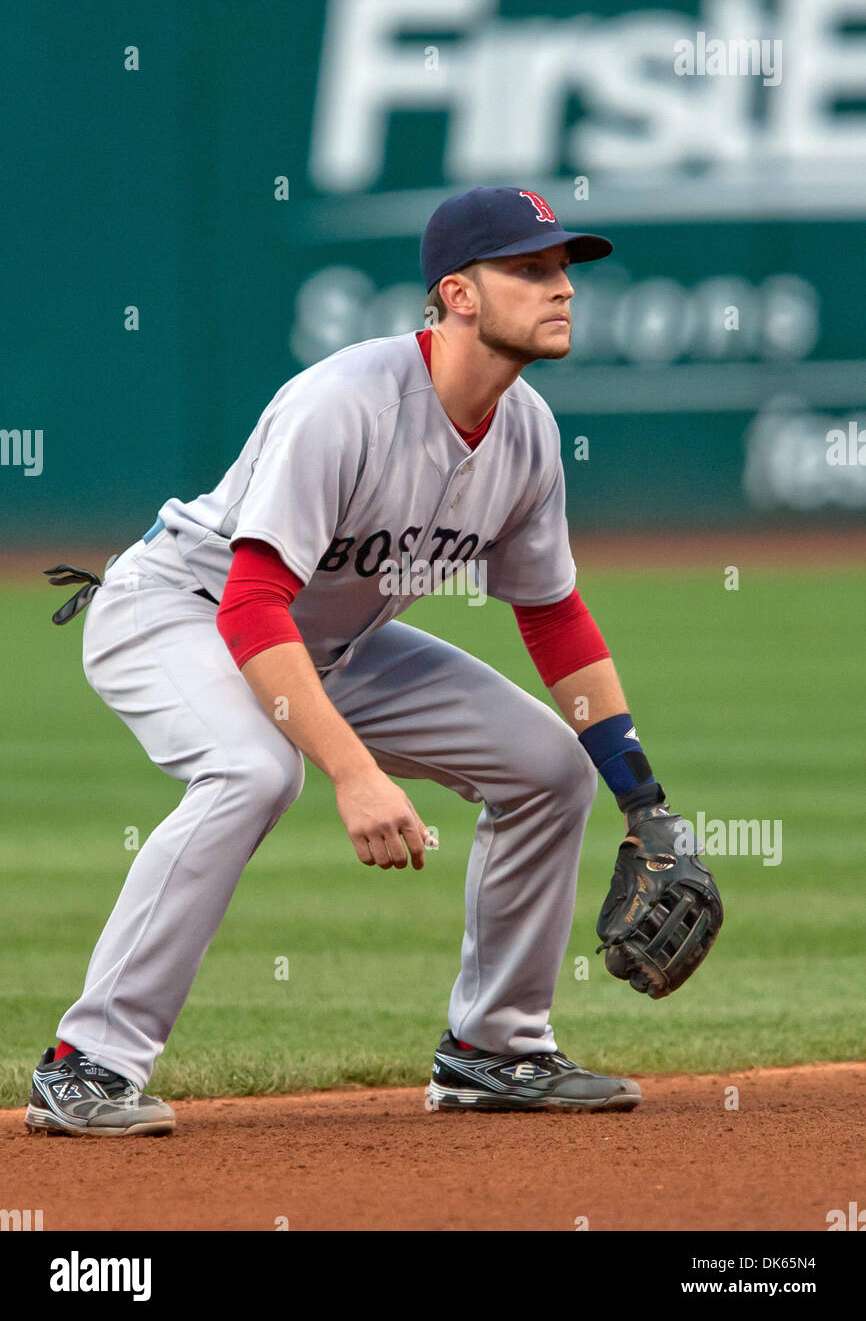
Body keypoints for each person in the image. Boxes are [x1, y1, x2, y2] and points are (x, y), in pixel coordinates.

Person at [28, 186, 681, 1134]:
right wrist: (356, 775)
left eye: (564, 269)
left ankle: (493, 1049)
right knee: (253, 771)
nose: (562, 288)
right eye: (531, 269)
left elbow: (555, 617)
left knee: (547, 767)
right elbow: (253, 605)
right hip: (179, 610)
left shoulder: (527, 432)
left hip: (326, 643)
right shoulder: (345, 403)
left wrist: (644, 800)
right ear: (457, 294)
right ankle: (86, 1064)